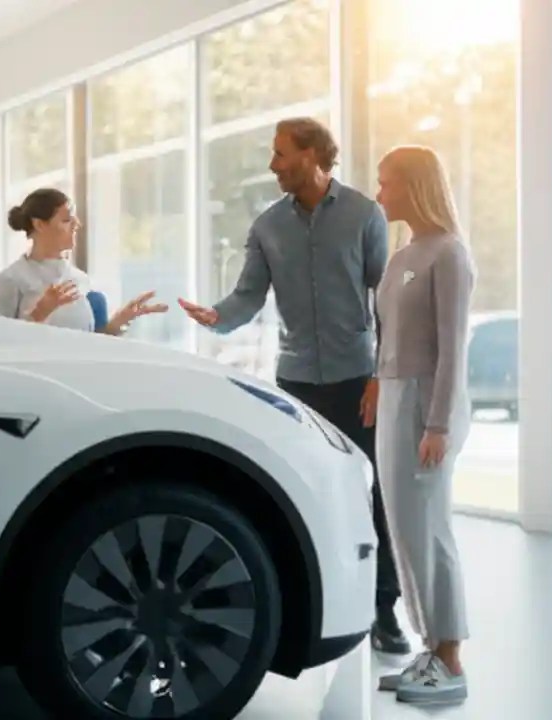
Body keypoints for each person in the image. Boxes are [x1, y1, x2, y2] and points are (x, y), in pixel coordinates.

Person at [177, 117, 412, 655]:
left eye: (281, 154)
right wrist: (215, 315)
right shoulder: (266, 226)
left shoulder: (363, 214)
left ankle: (384, 608)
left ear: (311, 155)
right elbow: (247, 297)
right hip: (297, 382)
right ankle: (310, 599)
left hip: (358, 379)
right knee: (299, 491)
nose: (273, 164)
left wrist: (380, 373)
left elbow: (385, 300)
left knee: (376, 494)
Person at [369, 145, 475, 705]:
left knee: (430, 530)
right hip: (393, 398)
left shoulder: (449, 256)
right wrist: (376, 384)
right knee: (404, 531)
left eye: (387, 183)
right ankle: (428, 648)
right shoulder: (404, 254)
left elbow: (453, 352)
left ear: (414, 187)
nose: (379, 193)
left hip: (424, 406)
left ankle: (451, 657)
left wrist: (436, 424)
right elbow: (387, 335)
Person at [0, 188, 166, 334]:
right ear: (39, 225)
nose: (77, 225)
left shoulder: (79, 279)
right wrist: (39, 314)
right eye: (67, 220)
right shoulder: (11, 279)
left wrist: (120, 322)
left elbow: (90, 345)